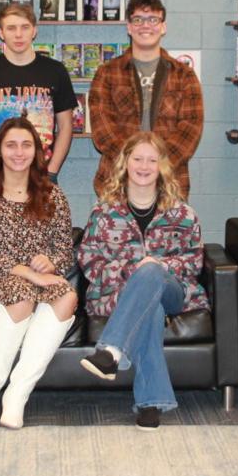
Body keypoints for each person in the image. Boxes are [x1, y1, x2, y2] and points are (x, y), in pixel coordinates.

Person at [77, 132, 207, 430]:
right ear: (126, 163)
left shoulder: (183, 213)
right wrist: (132, 274)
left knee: (151, 272)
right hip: (119, 296)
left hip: (174, 291)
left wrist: (156, 266)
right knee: (151, 306)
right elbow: (89, 260)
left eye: (152, 159)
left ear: (162, 166)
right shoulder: (104, 212)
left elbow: (193, 263)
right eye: (138, 158)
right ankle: (151, 403)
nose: (144, 166)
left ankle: (110, 350)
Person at [0, 117, 75, 429]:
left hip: (39, 282)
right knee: (20, 293)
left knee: (67, 295)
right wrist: (27, 273)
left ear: (37, 152)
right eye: (11, 145)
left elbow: (65, 250)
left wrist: (50, 263)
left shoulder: (52, 195)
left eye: (26, 145)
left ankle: (17, 395)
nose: (19, 152)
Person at [88, 0, 204, 198]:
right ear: (129, 27)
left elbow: (191, 128)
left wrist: (158, 164)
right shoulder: (107, 73)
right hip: (117, 182)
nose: (145, 25)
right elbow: (102, 129)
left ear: (163, 26)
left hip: (170, 183)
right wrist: (133, 164)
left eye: (153, 19)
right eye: (138, 19)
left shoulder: (184, 75)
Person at [0, 3, 77, 180]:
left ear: (34, 31)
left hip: (42, 175)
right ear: (1, 33)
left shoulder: (56, 71)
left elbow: (66, 126)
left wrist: (52, 170)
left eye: (25, 27)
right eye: (11, 28)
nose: (18, 34)